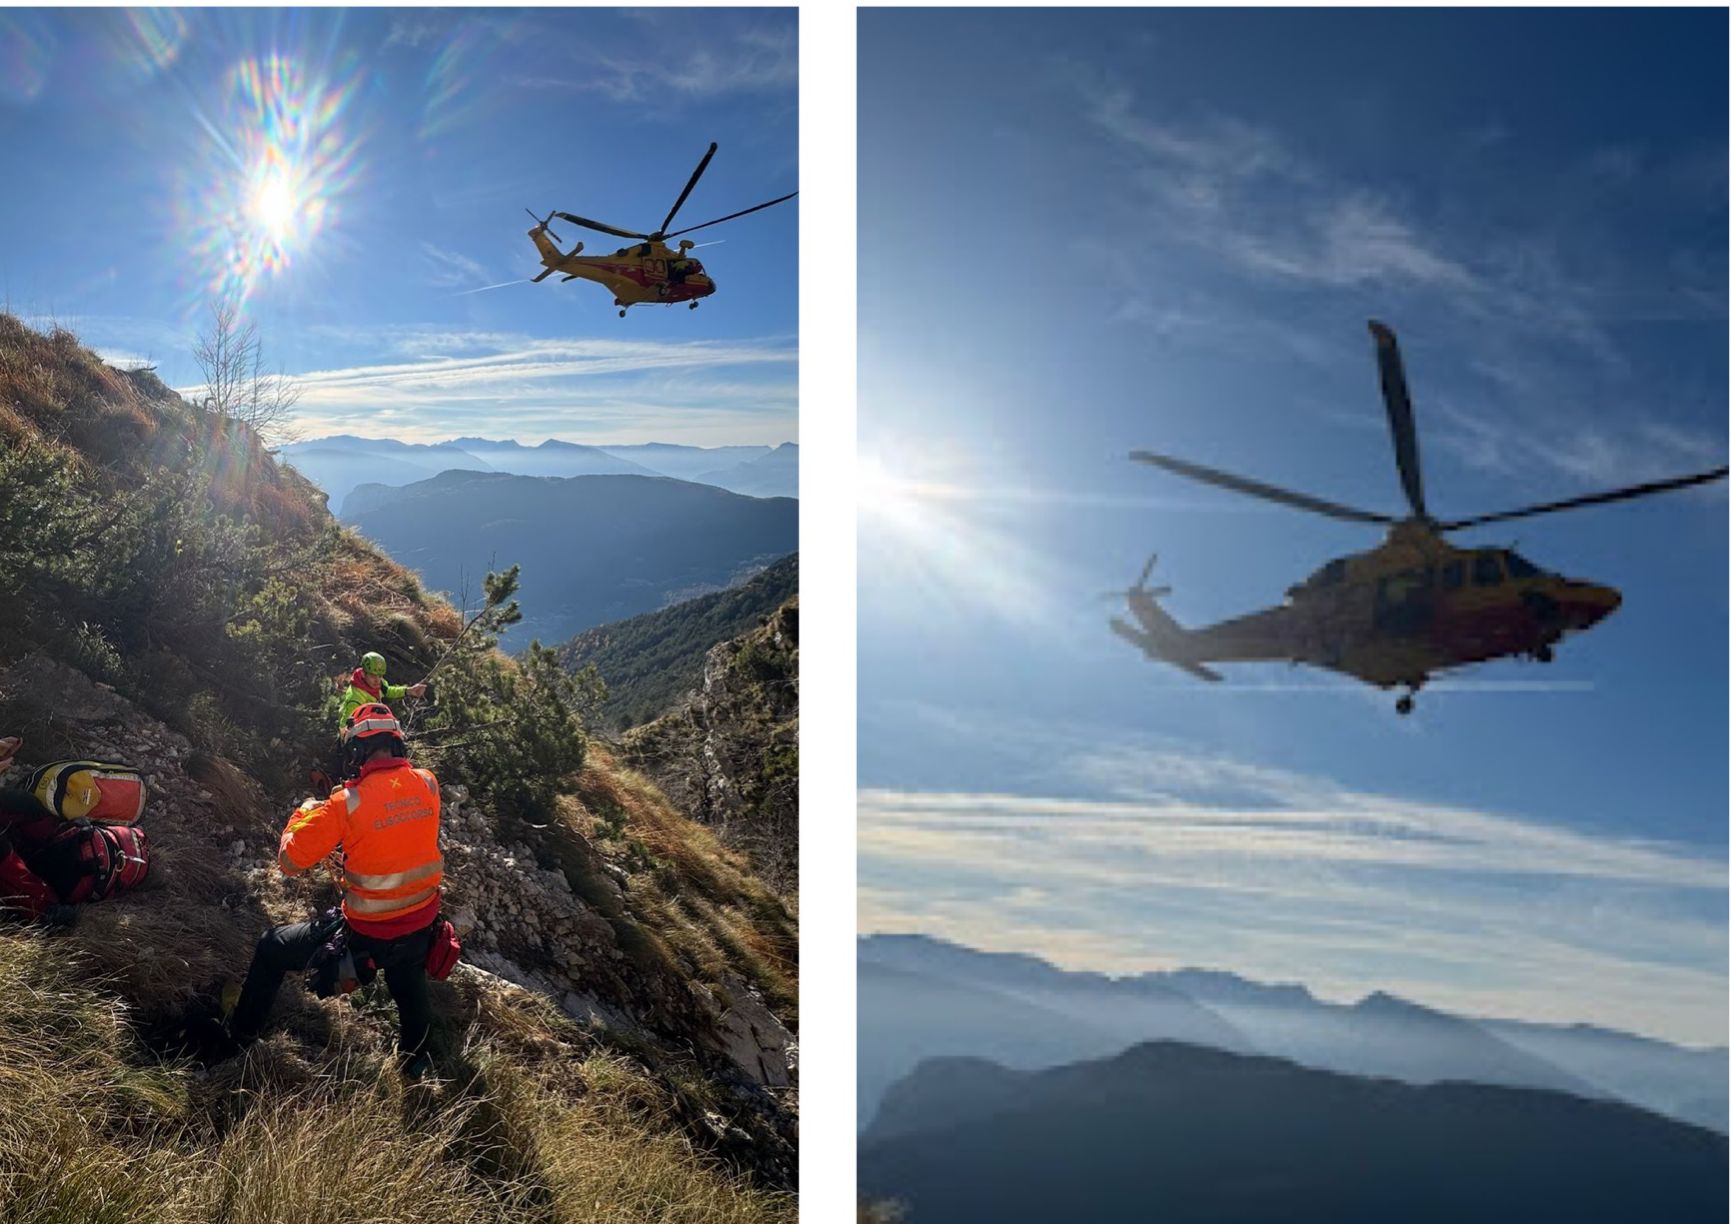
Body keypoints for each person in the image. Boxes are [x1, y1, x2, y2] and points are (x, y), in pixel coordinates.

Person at [223, 703, 445, 1074]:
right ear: (396, 744)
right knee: (409, 984)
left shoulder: (346, 803)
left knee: (270, 948)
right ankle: (415, 1062)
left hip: (368, 933)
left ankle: (240, 1035)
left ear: (356, 751)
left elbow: (290, 861)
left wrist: (304, 813)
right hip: (420, 924)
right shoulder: (428, 783)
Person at [337, 652, 427, 730]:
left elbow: (387, 691)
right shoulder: (355, 698)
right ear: (363, 674)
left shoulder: (378, 683)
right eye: (373, 676)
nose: (377, 680)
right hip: (360, 728)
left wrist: (409, 690)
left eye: (380, 676)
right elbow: (343, 726)